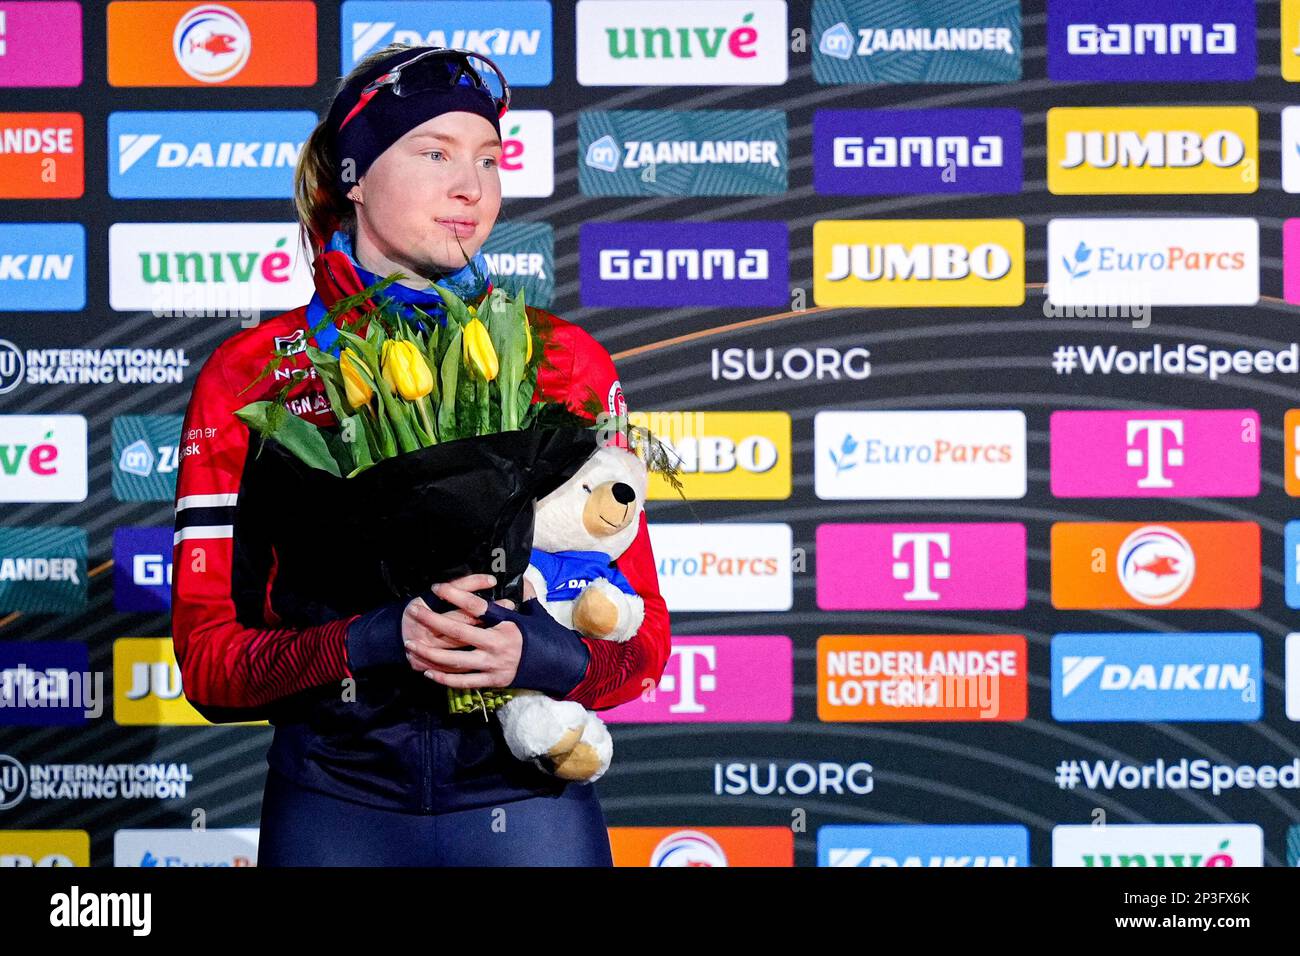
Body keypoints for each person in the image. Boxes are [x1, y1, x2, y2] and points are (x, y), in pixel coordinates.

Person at [169, 43, 671, 866]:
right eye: (433, 153)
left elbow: (643, 644)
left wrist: (535, 653)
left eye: (487, 158)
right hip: (335, 812)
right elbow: (211, 665)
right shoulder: (255, 374)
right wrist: (368, 640)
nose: (470, 187)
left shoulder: (565, 362)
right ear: (355, 177)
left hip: (529, 809)